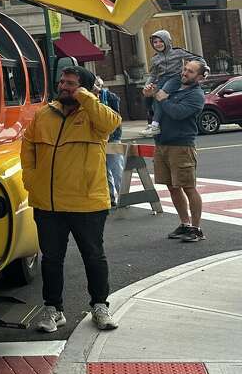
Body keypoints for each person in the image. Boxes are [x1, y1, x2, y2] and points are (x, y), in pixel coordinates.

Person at [21, 66, 121, 333]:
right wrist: (30, 179)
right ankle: (53, 309)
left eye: (71, 84)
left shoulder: (94, 115)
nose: (64, 86)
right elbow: (28, 146)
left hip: (87, 202)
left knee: (93, 256)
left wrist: (86, 98)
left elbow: (112, 123)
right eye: (63, 82)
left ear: (85, 88)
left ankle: (100, 306)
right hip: (48, 203)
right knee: (51, 259)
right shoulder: (44, 114)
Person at [145, 58, 208, 242]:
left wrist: (162, 98)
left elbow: (177, 113)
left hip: (181, 146)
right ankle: (185, 224)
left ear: (199, 77)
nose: (184, 73)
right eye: (185, 69)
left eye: (190, 71)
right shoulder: (172, 88)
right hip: (162, 143)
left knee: (188, 187)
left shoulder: (196, 95)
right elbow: (153, 108)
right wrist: (150, 97)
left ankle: (196, 229)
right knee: (172, 187)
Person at [141, 30, 198, 137]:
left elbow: (197, 58)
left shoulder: (178, 52)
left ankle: (155, 125)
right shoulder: (155, 58)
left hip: (175, 78)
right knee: (151, 96)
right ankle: (153, 122)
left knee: (160, 95)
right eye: (155, 42)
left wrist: (205, 69)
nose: (158, 44)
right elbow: (153, 75)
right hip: (162, 79)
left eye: (160, 41)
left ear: (167, 41)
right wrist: (147, 85)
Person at [94, 76, 124, 206]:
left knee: (116, 169)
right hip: (98, 140)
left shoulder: (110, 97)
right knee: (104, 171)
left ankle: (122, 197)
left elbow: (116, 118)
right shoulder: (89, 99)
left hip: (112, 139)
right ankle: (110, 198)